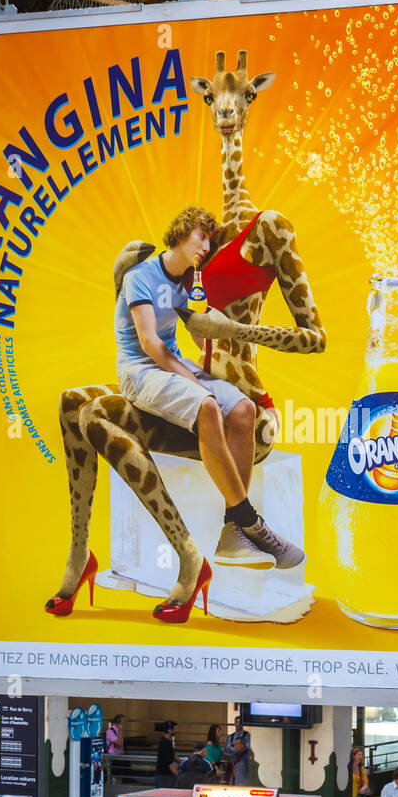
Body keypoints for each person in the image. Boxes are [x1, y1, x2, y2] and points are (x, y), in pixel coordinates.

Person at [115, 206, 301, 587]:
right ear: (181, 233)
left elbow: (199, 331)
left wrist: (223, 351)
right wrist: (195, 381)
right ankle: (249, 520)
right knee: (206, 403)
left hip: (173, 363)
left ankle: (232, 534)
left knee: (244, 409)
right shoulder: (140, 276)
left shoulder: (186, 282)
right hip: (139, 371)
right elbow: (150, 344)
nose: (205, 246)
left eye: (210, 241)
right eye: (201, 236)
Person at [154, 721, 179, 789]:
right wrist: (179, 777)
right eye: (175, 729)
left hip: (165, 777)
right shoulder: (165, 743)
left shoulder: (167, 742)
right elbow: (170, 764)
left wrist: (180, 761)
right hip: (164, 778)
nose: (176, 731)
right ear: (170, 730)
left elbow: (171, 754)